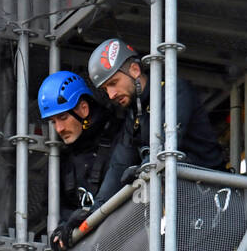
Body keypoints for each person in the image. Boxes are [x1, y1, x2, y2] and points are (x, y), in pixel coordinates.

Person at [87, 38, 227, 177]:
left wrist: (140, 171)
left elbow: (166, 145)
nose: (111, 95)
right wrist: (101, 200)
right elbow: (119, 166)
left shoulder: (174, 90)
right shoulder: (134, 113)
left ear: (135, 70)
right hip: (181, 189)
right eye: (106, 89)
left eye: (114, 83)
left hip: (211, 189)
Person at [37, 70, 127, 251]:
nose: (59, 129)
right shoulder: (61, 162)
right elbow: (54, 208)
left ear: (84, 109)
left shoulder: (120, 135)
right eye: (53, 122)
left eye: (63, 118)